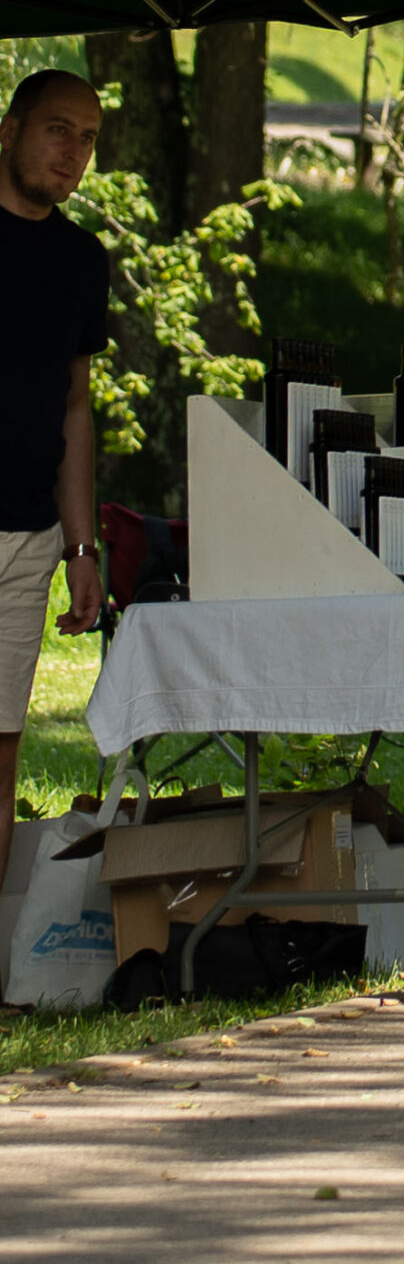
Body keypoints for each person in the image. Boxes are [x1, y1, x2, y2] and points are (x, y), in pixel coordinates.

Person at [0, 71, 108, 895]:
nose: (71, 152)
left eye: (88, 139)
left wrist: (81, 546)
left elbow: (76, 405)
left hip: (30, 535)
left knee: (2, 751)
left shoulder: (81, 259)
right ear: (10, 129)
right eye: (56, 129)